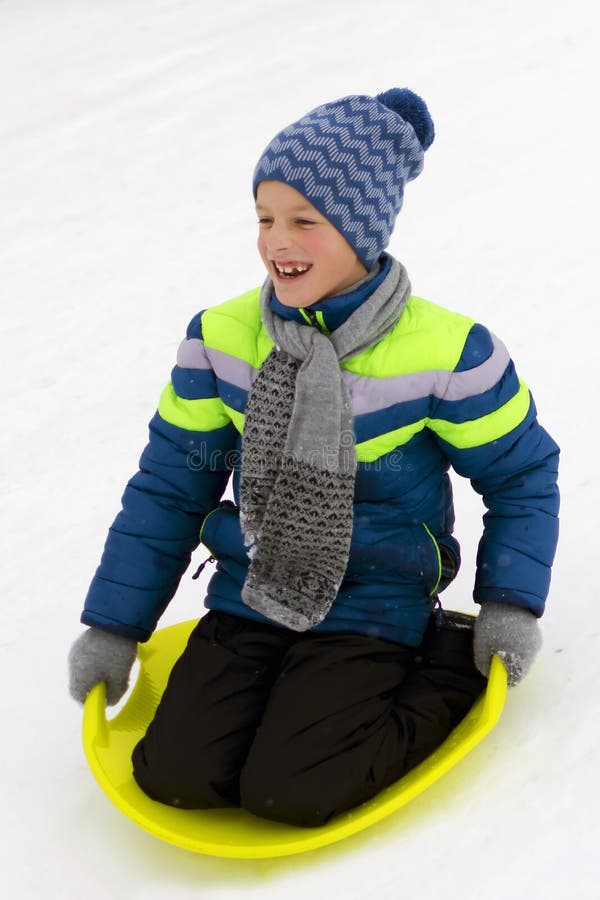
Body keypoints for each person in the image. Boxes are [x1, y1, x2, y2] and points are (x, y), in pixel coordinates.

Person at [69, 88, 560, 828]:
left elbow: (522, 476)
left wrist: (508, 605)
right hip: (253, 588)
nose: (277, 241)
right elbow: (172, 486)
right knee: (175, 778)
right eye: (265, 218)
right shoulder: (224, 338)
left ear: (363, 230)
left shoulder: (448, 352)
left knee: (290, 790)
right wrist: (114, 625)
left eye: (306, 220)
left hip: (376, 599)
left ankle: (445, 663)